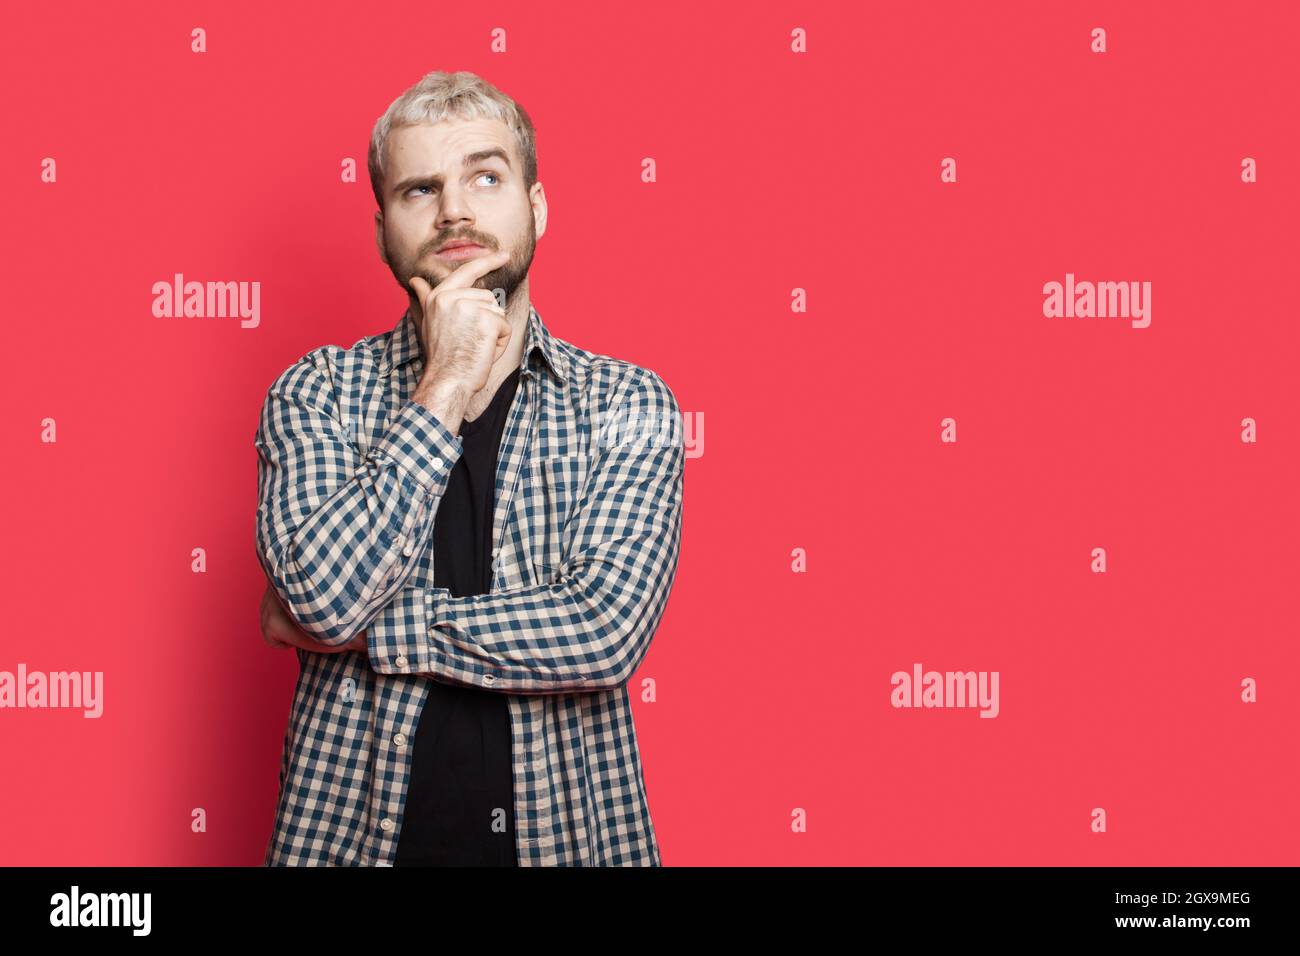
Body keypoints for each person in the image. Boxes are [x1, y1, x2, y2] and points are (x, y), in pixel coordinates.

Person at [254, 70, 684, 866]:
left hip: (566, 843)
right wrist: (445, 381)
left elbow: (602, 630)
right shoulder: (315, 391)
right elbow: (319, 595)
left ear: (537, 207)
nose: (455, 209)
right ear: (383, 226)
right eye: (422, 188)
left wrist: (362, 634)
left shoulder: (629, 401)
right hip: (348, 844)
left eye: (486, 177)